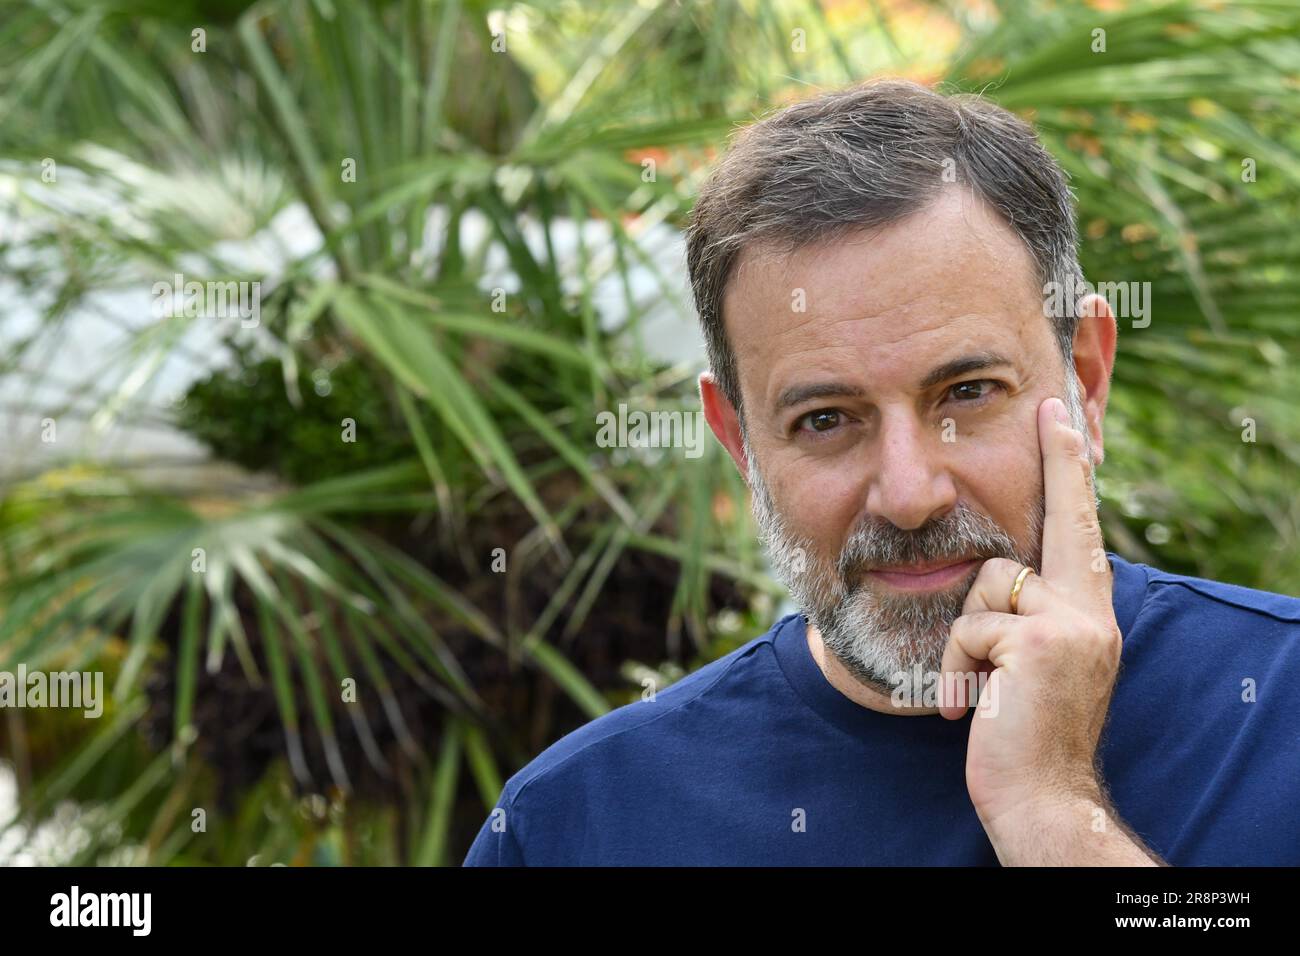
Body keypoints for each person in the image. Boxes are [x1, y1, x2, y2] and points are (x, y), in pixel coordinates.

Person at [464, 78, 1300, 866]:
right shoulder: (579, 826)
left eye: (967, 393)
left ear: (1085, 378)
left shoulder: (1278, 715)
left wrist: (1052, 813)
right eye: (825, 420)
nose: (907, 494)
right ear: (739, 439)